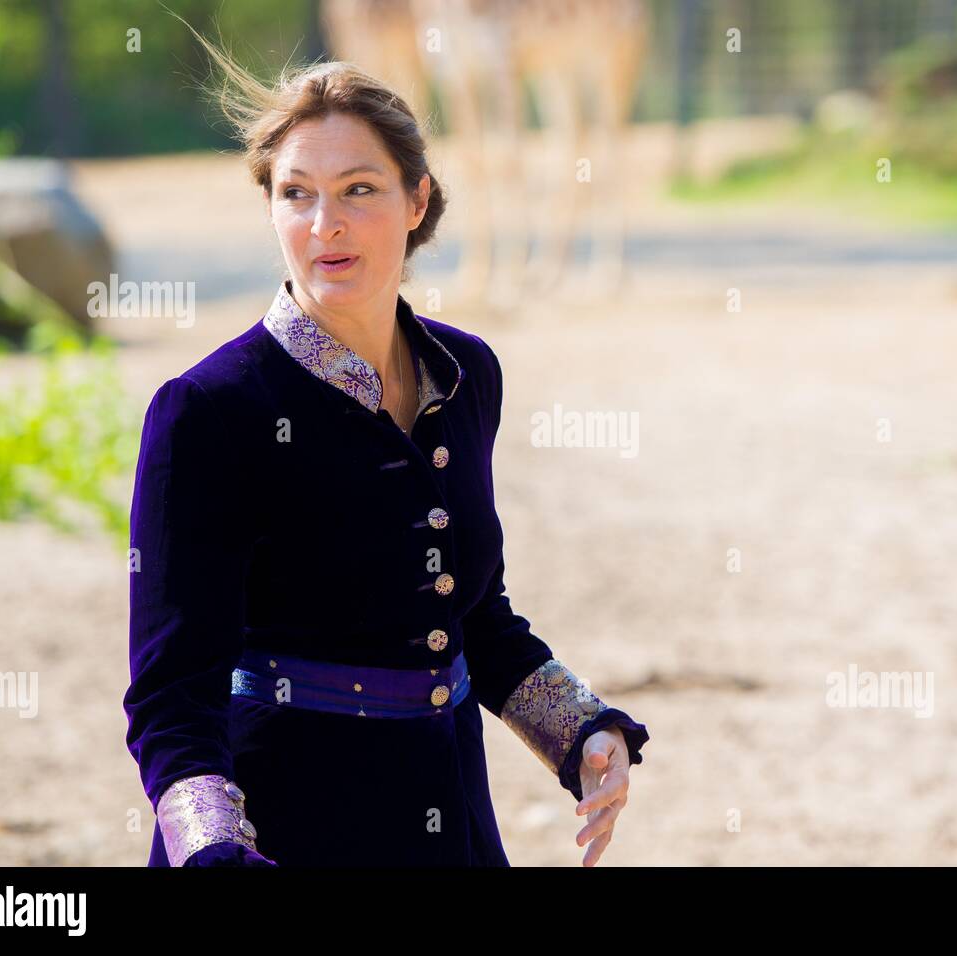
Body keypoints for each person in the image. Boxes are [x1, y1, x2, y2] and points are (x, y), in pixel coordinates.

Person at [122, 29, 649, 867]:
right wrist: (215, 853)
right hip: (283, 831)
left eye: (358, 189)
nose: (324, 225)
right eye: (296, 194)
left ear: (417, 201)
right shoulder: (207, 412)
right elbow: (170, 696)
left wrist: (582, 730)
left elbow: (471, 614)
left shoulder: (467, 373)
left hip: (452, 819)